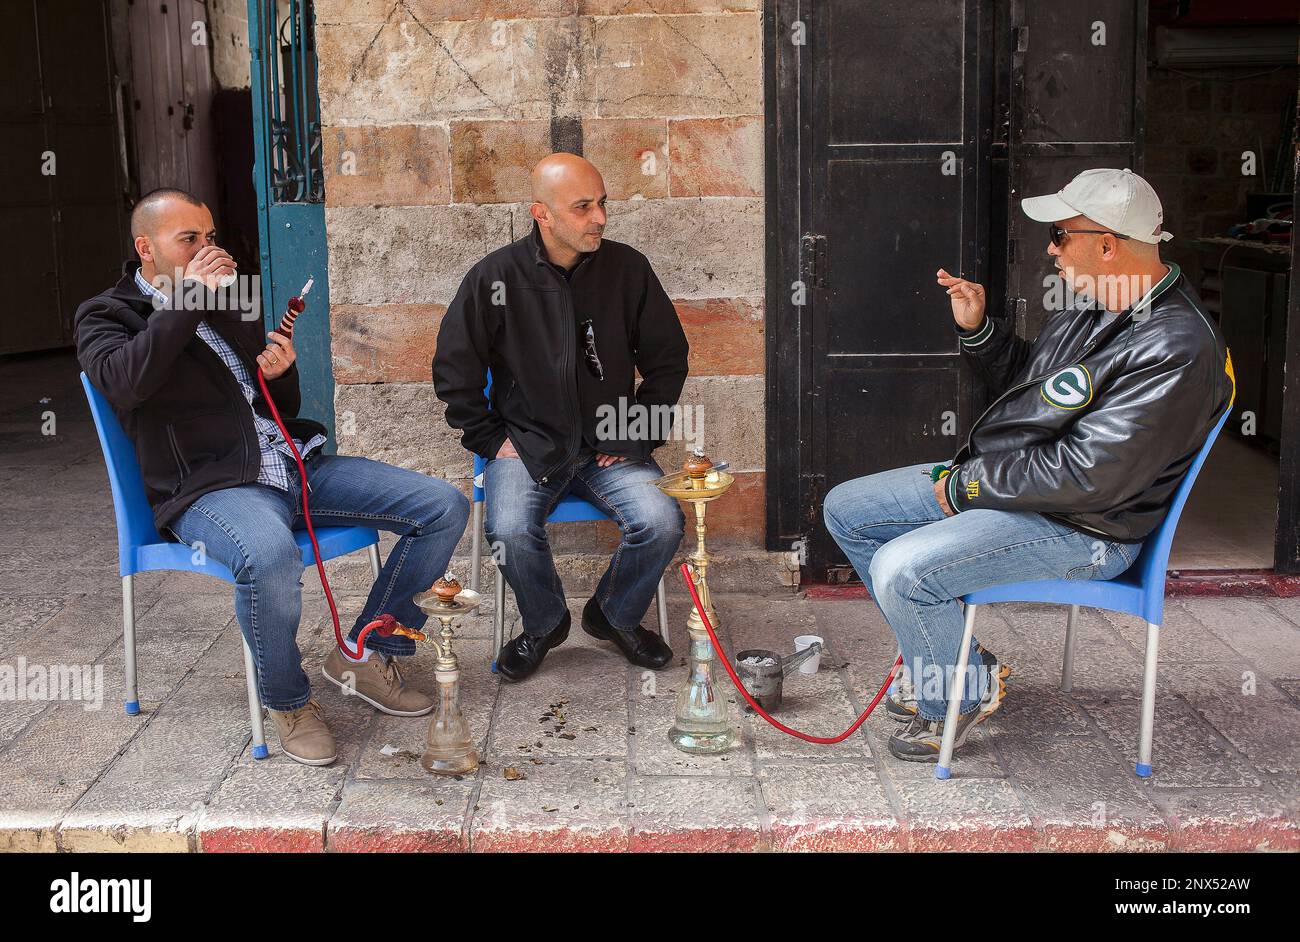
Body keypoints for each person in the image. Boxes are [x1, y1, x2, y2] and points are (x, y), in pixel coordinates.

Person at [823, 169, 1234, 762]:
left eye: (1061, 234)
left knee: (901, 568)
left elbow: (1091, 475)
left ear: (1108, 243)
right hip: (1025, 483)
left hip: (1085, 526)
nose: (1050, 247)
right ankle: (968, 669)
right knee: (848, 510)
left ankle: (953, 701)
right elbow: (1036, 392)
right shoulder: (1091, 307)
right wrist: (982, 333)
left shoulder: (1178, 346)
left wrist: (967, 486)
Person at [75, 188, 470, 767]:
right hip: (211, 487)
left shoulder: (227, 301)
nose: (207, 250)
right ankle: (288, 700)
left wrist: (281, 374)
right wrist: (188, 298)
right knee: (267, 554)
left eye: (210, 237)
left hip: (290, 464)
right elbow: (126, 382)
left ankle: (366, 651)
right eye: (189, 240)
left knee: (442, 505)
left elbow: (269, 403)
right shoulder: (107, 314)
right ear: (146, 248)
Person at [432, 154, 688, 682]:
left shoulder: (628, 269)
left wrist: (638, 430)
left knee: (663, 520)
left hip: (609, 446)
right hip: (528, 445)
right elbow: (454, 369)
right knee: (508, 528)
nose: (599, 218)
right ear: (542, 214)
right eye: (583, 207)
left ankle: (613, 615)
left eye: (602, 204)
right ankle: (545, 622)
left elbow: (668, 358)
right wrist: (488, 437)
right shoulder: (495, 278)